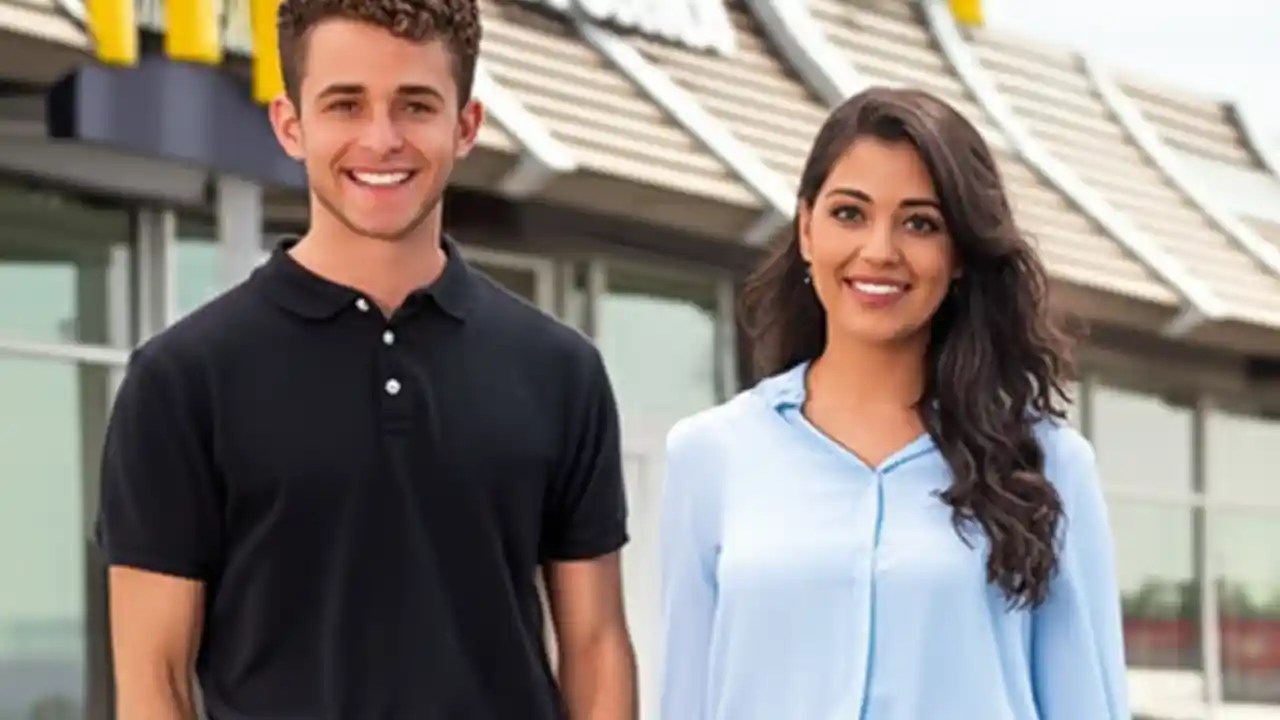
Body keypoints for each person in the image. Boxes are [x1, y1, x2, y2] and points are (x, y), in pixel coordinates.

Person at [96, 1, 637, 718]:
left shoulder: (560, 371)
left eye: (415, 105)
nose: (380, 140)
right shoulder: (182, 381)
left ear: (465, 126)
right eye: (345, 105)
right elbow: (152, 681)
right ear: (291, 125)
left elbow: (596, 643)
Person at [658, 87, 1130, 720]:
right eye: (850, 213)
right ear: (805, 229)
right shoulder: (710, 455)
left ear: (958, 254)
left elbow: (1086, 706)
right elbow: (685, 698)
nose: (879, 250)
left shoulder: (1048, 466)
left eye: (920, 223)